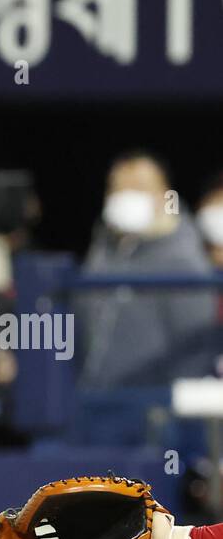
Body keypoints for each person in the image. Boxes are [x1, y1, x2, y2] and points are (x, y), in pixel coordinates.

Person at [76, 152, 216, 389]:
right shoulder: (101, 252)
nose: (126, 195)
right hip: (96, 403)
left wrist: (167, 411)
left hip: (151, 408)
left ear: (164, 196)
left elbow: (196, 351)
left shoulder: (182, 259)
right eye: (118, 188)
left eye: (139, 187)